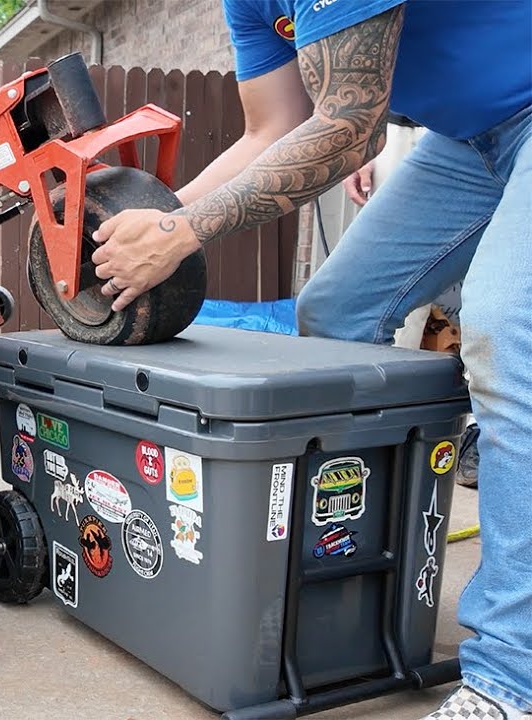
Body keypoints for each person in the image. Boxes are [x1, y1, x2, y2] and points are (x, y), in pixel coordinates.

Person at [89, 2, 531, 718]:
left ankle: (514, 676)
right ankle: (353, 568)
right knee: (334, 317)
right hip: (465, 142)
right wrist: (148, 223)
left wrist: (180, 233)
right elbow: (273, 128)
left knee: (507, 330)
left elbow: (350, 127)